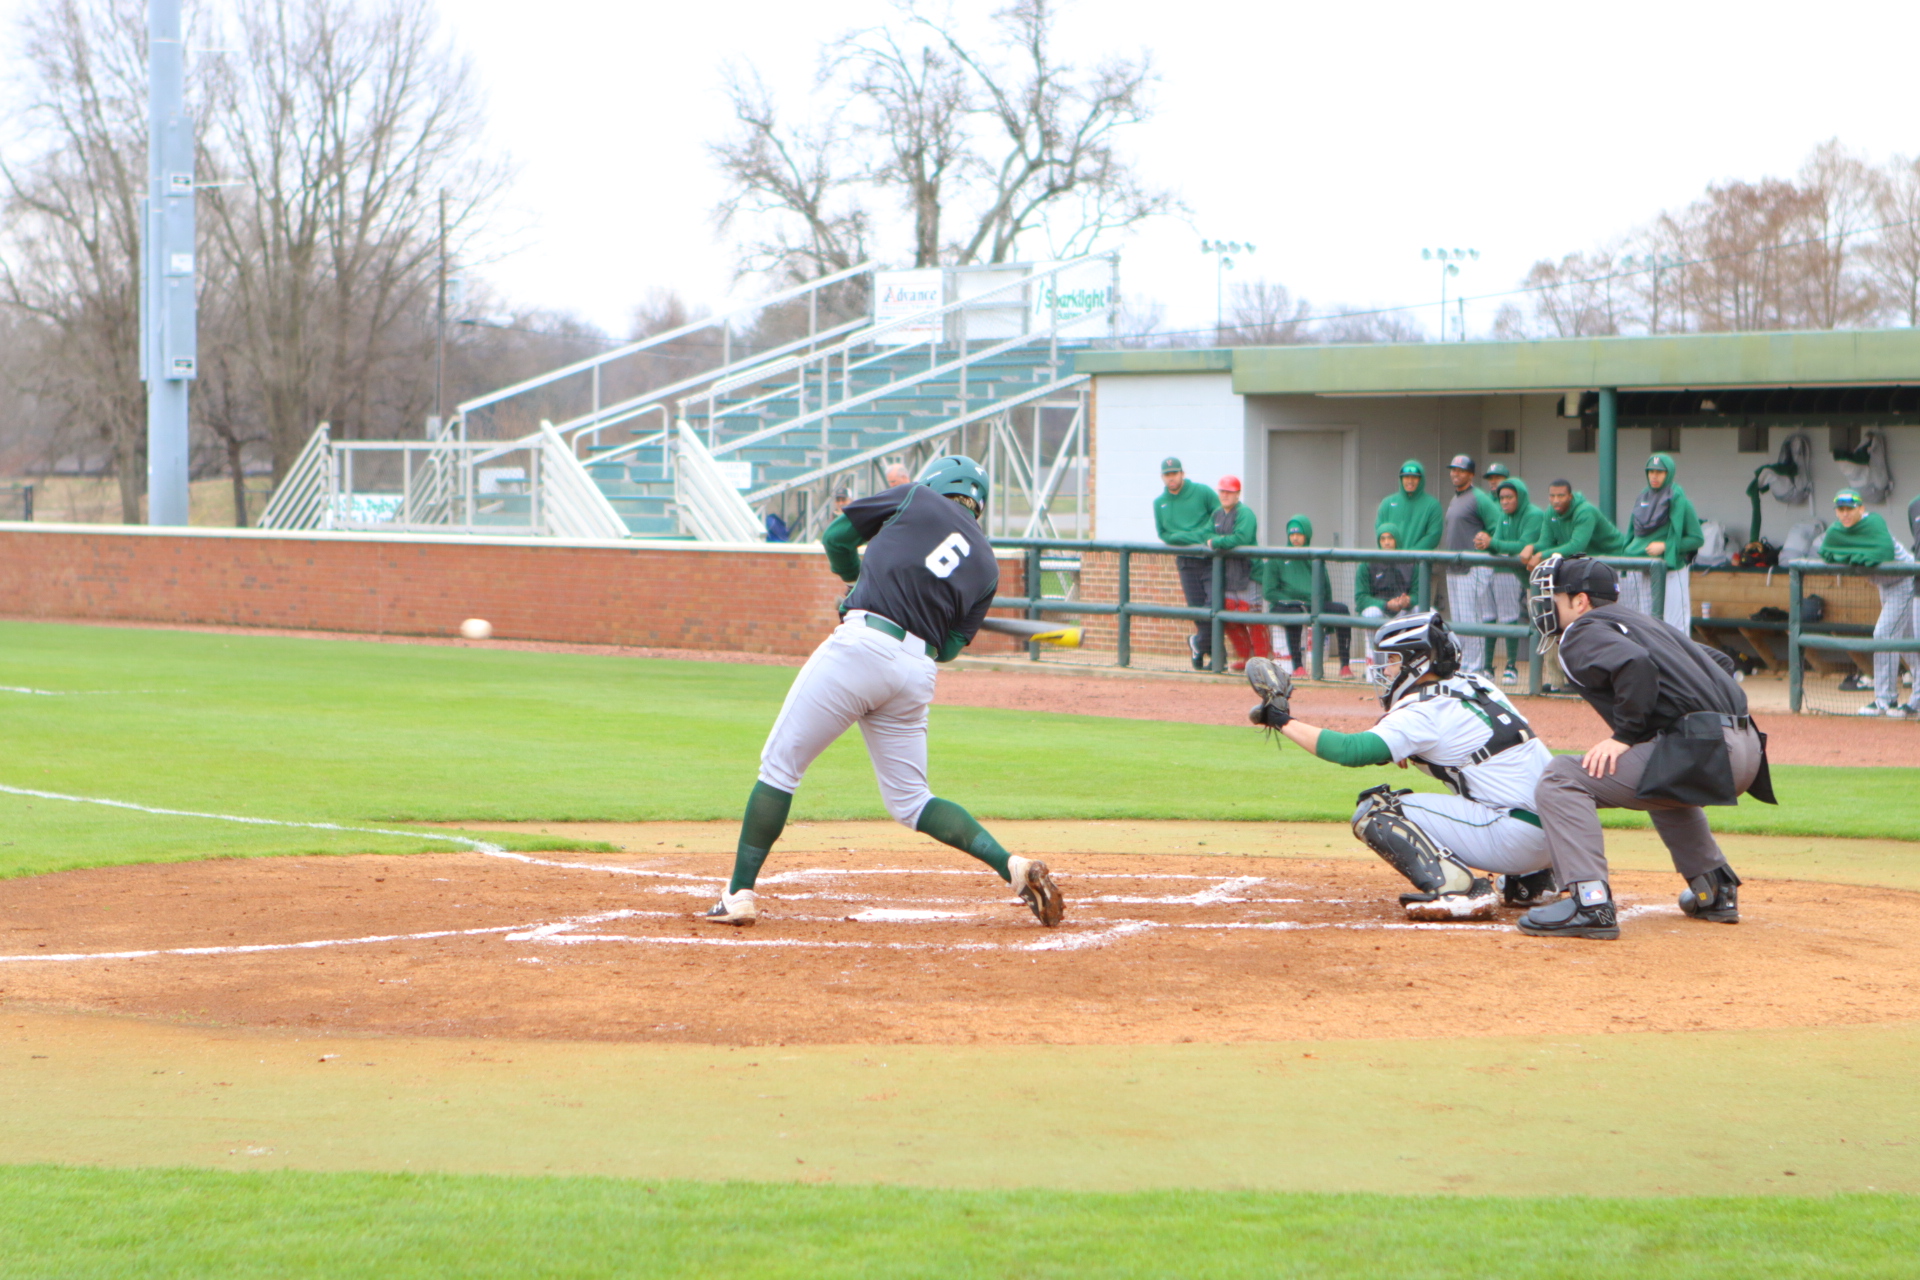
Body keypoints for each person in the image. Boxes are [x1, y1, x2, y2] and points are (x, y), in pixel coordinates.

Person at [704, 456, 1064, 929]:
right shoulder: (987, 565)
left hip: (862, 647)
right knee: (913, 800)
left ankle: (738, 895)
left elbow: (837, 539)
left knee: (780, 767)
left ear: (937, 482)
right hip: (915, 672)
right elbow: (948, 649)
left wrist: (855, 580)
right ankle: (1011, 867)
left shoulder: (916, 495)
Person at [1517, 554, 1772, 940]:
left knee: (1561, 777)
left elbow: (1635, 663)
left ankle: (1590, 903)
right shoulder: (1642, 622)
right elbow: (1719, 661)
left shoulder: (1582, 630)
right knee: (1659, 778)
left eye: (1554, 597)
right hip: (1746, 748)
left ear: (1580, 601)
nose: (1546, 606)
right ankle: (1714, 889)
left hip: (1704, 749)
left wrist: (1625, 735)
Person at [1243, 614, 1557, 920]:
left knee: (1376, 810)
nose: (1385, 669)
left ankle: (1457, 890)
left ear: (1417, 662)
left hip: (1517, 839)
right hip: (1560, 836)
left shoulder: (1422, 712)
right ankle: (1533, 881)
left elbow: (1350, 751)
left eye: (1392, 660)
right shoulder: (1477, 685)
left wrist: (1281, 720)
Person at [1820, 488, 1919, 718]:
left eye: (1850, 509)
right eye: (1841, 509)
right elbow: (1826, 551)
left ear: (1861, 508)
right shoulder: (1837, 530)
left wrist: (1852, 556)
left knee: (1884, 635)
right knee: (1909, 646)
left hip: (1905, 581)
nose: (1845, 514)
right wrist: (1853, 556)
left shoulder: (1873, 523)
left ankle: (1885, 699)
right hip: (1884, 585)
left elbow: (1881, 553)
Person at [1259, 515, 1353, 678]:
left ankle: (1345, 666)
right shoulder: (1276, 558)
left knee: (1342, 610)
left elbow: (1326, 591)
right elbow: (1269, 592)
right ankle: (1298, 667)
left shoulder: (1315, 558)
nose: (1295, 538)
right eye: (1292, 534)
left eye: (1299, 534)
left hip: (1312, 604)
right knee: (1294, 613)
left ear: (1307, 535)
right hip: (1286, 606)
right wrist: (1292, 601)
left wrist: (1328, 623)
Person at [1620, 454, 1703, 632]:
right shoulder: (1642, 499)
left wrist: (1666, 546)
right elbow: (1630, 535)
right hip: (1642, 570)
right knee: (1644, 624)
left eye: (1659, 472)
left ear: (1668, 473)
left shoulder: (1682, 501)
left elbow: (1697, 539)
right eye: (1651, 472)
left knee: (1675, 626)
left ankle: (1678, 652)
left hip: (1670, 571)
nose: (1654, 476)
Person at [1152, 456, 1221, 670]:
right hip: (1186, 562)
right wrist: (1195, 537)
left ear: (1182, 473)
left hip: (1210, 559)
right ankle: (1217, 658)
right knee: (1197, 611)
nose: (1171, 478)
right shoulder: (1159, 503)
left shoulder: (1202, 492)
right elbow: (1165, 535)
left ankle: (1198, 643)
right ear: (1162, 477)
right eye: (1167, 474)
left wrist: (1194, 536)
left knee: (1214, 606)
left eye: (1174, 473)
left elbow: (1219, 518)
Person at [1476, 478, 1546, 686]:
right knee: (1491, 618)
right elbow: (1499, 545)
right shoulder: (1503, 516)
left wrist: (1493, 542)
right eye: (1502, 498)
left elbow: (1523, 546)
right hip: (1524, 579)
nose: (1505, 502)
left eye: (1509, 497)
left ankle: (1517, 669)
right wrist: (1485, 543)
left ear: (1519, 497)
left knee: (1547, 630)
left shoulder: (1534, 514)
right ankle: (1489, 667)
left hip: (1543, 581)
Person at [1440, 454, 1503, 676]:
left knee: (1471, 621)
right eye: (1453, 470)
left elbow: (1499, 526)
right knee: (1459, 623)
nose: (1455, 473)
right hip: (1454, 568)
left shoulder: (1479, 498)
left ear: (1471, 474)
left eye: (1460, 470)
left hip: (1473, 568)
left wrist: (1488, 541)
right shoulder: (1456, 498)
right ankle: (1463, 667)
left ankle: (1475, 670)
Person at [1208, 475, 1271, 673]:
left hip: (1248, 572)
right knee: (1228, 616)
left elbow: (1241, 538)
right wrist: (1213, 540)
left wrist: (1216, 542)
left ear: (1237, 494)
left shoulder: (1245, 513)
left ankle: (1262, 658)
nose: (1225, 495)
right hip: (1228, 573)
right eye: (1222, 491)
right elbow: (1205, 534)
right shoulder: (1217, 514)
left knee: (1251, 615)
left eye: (1230, 492)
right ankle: (1246, 657)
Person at [1520, 480, 1629, 568]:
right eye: (1552, 496)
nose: (1556, 500)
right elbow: (1546, 543)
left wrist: (1542, 555)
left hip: (1617, 561)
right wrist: (1532, 547)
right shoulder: (1551, 512)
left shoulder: (1585, 511)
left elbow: (1577, 546)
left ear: (1570, 497)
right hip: (1589, 563)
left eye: (1561, 496)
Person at [1355, 524, 1415, 662]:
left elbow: (1419, 594)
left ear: (1396, 540)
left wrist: (1408, 600)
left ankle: (1413, 662)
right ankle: (1375, 665)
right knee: (1371, 613)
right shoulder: (1368, 564)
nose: (1386, 542)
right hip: (1381, 611)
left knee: (1426, 611)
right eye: (1383, 539)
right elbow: (1361, 598)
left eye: (1390, 538)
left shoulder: (1411, 563)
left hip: (1403, 612)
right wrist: (1386, 604)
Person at [1375, 460, 1444, 551]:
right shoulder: (1387, 503)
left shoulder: (1433, 505)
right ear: (1401, 479)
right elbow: (1380, 531)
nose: (1410, 481)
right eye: (1406, 477)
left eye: (1414, 477)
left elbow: (1434, 536)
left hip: (1419, 559)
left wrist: (1411, 555)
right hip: (1391, 558)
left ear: (1421, 479)